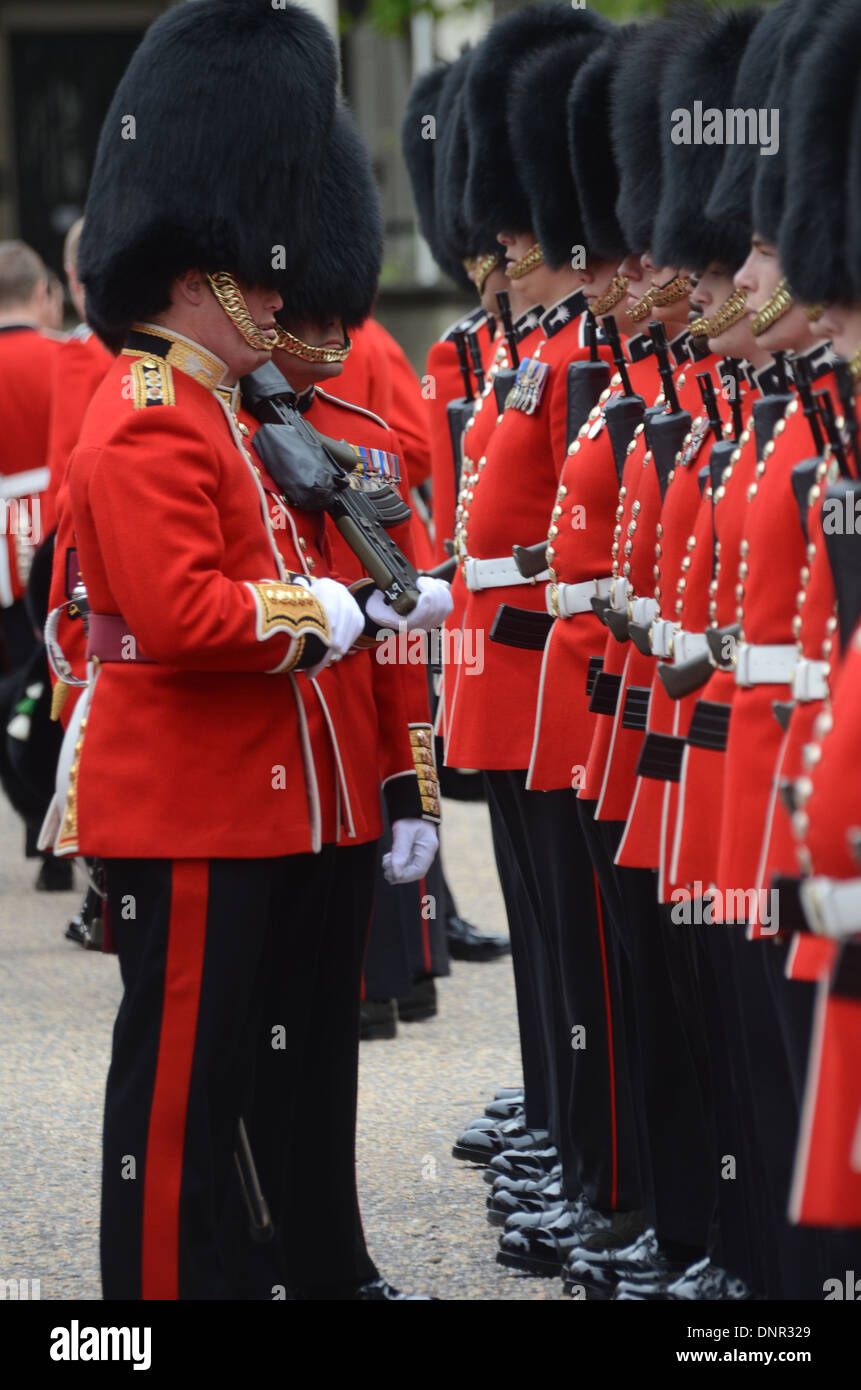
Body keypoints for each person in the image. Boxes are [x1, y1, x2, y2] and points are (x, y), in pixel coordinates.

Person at [44, 0, 448, 1301]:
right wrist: (328, 617)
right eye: (255, 277)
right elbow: (185, 614)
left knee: (259, 1070)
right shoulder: (149, 410)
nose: (277, 297)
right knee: (174, 1097)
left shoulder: (233, 410)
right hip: (194, 808)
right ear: (194, 271)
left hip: (267, 804)